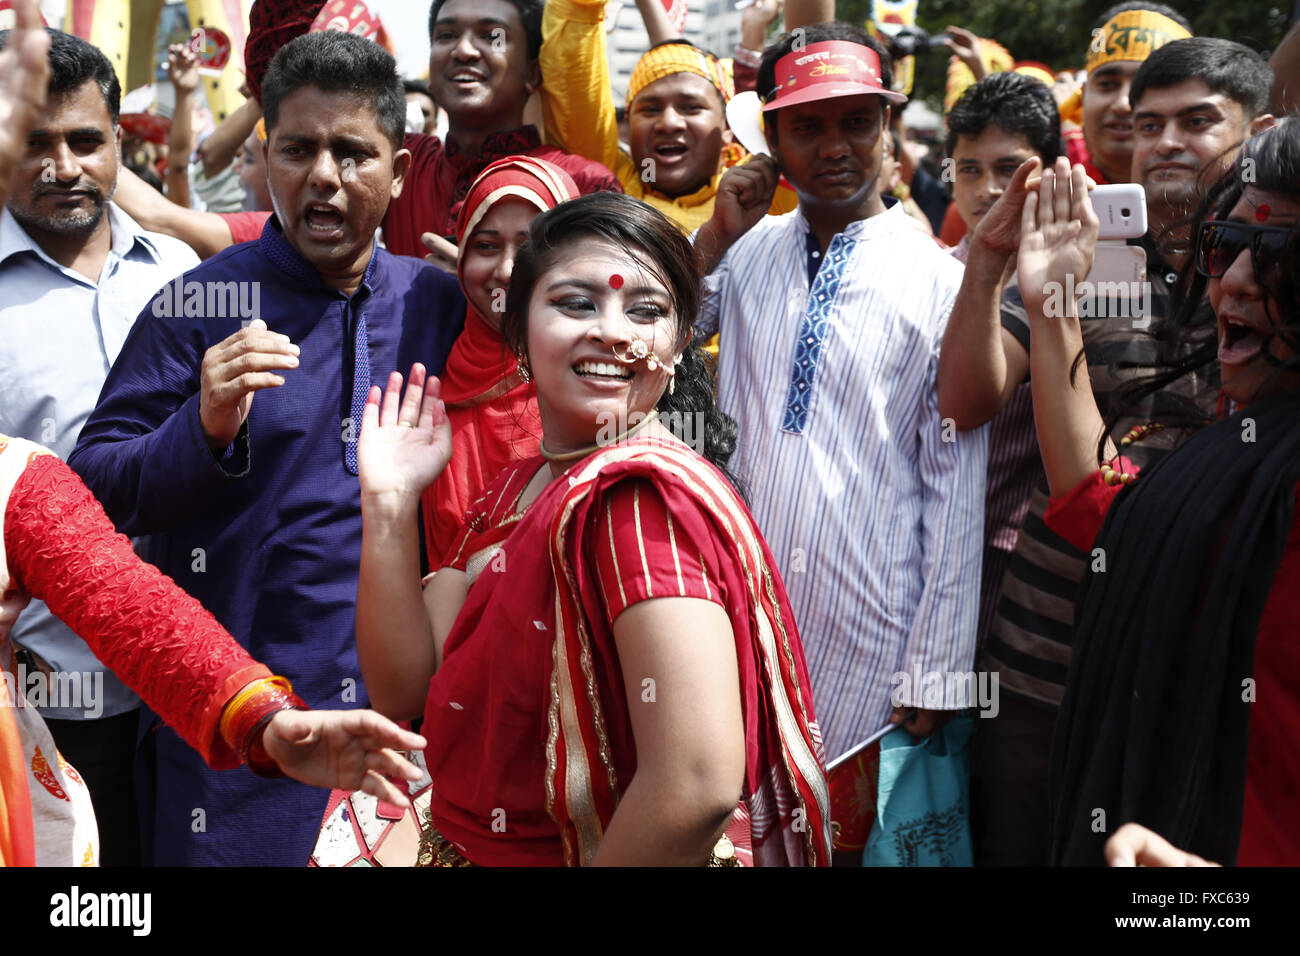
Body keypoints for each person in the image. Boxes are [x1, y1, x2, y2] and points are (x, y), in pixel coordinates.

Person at [0, 0, 424, 869]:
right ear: (263, 156)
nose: (325, 178)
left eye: (353, 154)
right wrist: (202, 427)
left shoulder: (435, 304)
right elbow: (95, 486)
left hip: (395, 739)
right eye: (299, 150)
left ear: (400, 170)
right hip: (223, 731)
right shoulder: (199, 301)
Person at [355, 191, 831, 866]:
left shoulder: (636, 501)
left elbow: (694, 786)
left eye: (647, 311)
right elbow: (406, 690)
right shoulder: (521, 485)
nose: (614, 331)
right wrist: (391, 504)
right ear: (518, 331)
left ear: (676, 345)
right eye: (577, 303)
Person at [953, 38, 1276, 866]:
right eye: (1146, 124)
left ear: (1264, 129)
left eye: (1198, 121)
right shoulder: (1088, 259)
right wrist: (994, 270)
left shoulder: (1272, 299)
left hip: (1179, 677)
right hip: (1034, 660)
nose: (1165, 143)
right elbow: (965, 402)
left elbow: (1114, 513)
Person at [693, 23, 988, 764]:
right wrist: (716, 237)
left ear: (888, 128)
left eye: (857, 123)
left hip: (875, 623)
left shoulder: (941, 279)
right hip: (737, 597)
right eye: (807, 127)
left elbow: (955, 478)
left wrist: (939, 664)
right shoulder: (746, 251)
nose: (834, 147)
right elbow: (661, 334)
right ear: (771, 138)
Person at [1017, 119, 1300, 866]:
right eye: (1226, 246)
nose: (1234, 280)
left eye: (1278, 259)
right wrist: (1053, 310)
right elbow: (1110, 513)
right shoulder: (1248, 444)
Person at [0, 26, 201, 865]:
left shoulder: (186, 277)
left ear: (120, 140)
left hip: (190, 682)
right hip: (41, 700)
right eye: (36, 142)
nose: (64, 166)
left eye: (86, 141)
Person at [420, 154, 577, 566]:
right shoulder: (432, 379)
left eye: (529, 248)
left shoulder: (595, 384)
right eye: (486, 246)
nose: (507, 270)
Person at [539, 0, 794, 234]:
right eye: (650, 110)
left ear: (727, 125)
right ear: (628, 125)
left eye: (691, 108)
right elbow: (573, 65)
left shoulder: (765, 190)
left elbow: (812, 85)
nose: (669, 123)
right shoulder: (607, 184)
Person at [1064, 2, 1192, 185]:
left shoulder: (1232, 203)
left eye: (1146, 84)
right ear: (1083, 96)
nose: (1123, 104)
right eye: (1107, 84)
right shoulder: (1045, 200)